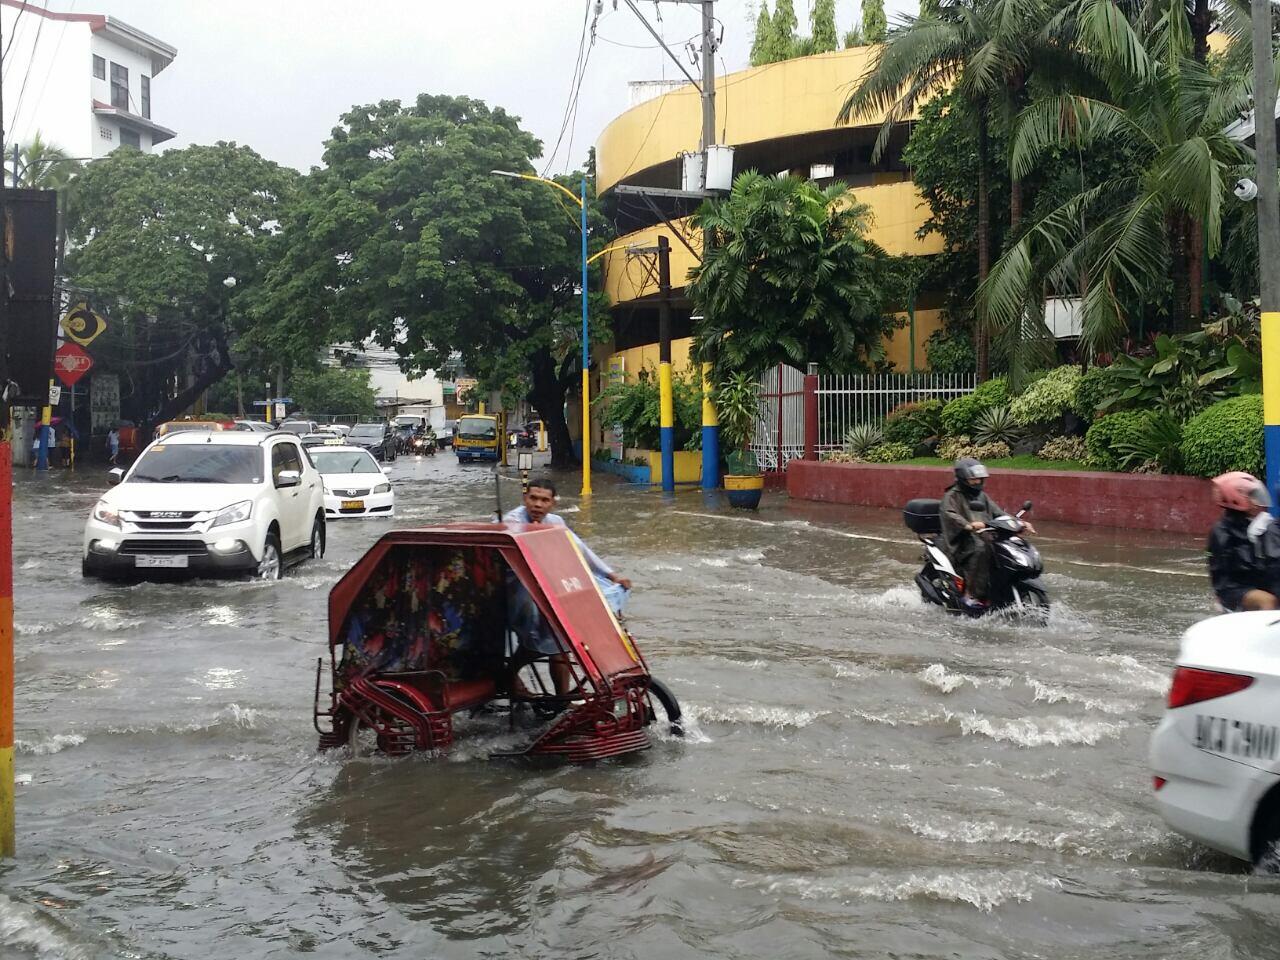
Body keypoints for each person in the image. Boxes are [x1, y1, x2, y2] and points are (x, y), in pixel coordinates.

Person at [503, 477, 632, 694]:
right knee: (547, 638)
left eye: (544, 500)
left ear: (553, 503)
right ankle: (508, 674)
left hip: (546, 586)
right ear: (525, 499)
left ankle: (561, 698)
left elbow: (579, 549)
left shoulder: (555, 522)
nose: (537, 505)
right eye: (533, 498)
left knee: (561, 642)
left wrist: (611, 575)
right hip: (517, 590)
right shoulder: (512, 521)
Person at [939, 457, 1035, 610]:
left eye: (979, 479)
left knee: (1004, 546)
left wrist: (1019, 523)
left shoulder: (981, 496)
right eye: (973, 480)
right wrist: (967, 525)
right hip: (961, 541)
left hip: (983, 534)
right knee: (981, 549)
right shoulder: (952, 496)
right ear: (963, 479)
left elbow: (998, 513)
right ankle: (972, 594)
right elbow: (950, 515)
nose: (977, 482)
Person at [1207, 471, 1280, 612]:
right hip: (1233, 588)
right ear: (1236, 499)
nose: (1259, 503)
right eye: (1253, 497)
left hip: (1253, 584)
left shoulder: (1257, 524)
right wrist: (1254, 542)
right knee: (1268, 601)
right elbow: (1237, 568)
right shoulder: (1222, 532)